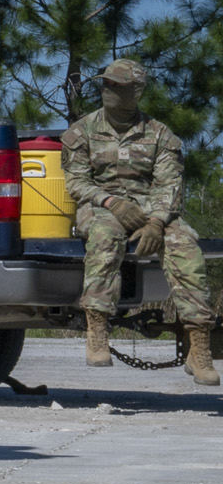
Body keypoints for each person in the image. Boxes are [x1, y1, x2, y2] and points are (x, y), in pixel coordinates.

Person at [64, 58, 216, 385]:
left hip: (150, 207)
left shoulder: (160, 135)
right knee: (105, 236)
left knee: (185, 243)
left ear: (137, 91)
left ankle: (199, 344)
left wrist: (157, 224)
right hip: (101, 204)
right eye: (105, 84)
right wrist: (111, 202)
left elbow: (169, 184)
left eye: (117, 86)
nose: (108, 91)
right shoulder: (82, 131)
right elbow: (76, 182)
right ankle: (97, 329)